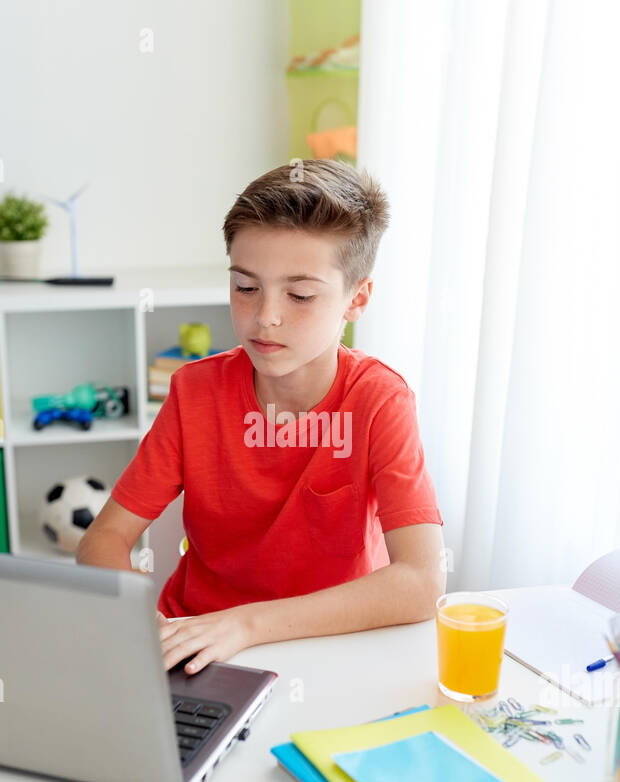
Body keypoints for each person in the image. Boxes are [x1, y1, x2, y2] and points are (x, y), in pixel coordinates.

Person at [77, 160, 445, 673]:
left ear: (356, 298)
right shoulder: (195, 391)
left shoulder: (379, 400)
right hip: (199, 650)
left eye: (299, 295)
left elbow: (422, 582)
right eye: (246, 287)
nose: (265, 316)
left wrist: (245, 624)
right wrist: (142, 621)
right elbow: (104, 539)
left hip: (328, 649)